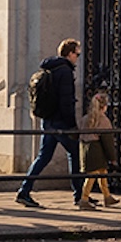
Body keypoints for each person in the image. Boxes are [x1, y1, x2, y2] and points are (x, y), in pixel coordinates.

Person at [15, 38, 83, 208]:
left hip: (48, 121)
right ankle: (80, 195)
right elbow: (66, 102)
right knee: (75, 155)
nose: (78, 57)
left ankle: (24, 190)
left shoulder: (50, 68)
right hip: (61, 123)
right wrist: (72, 125)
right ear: (69, 54)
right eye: (77, 54)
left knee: (43, 157)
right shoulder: (65, 71)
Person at [77, 91, 120, 208]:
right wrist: (113, 158)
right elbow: (108, 142)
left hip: (85, 148)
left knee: (102, 174)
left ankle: (107, 196)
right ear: (104, 106)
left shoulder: (85, 118)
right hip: (97, 150)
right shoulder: (103, 120)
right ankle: (84, 199)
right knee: (92, 176)